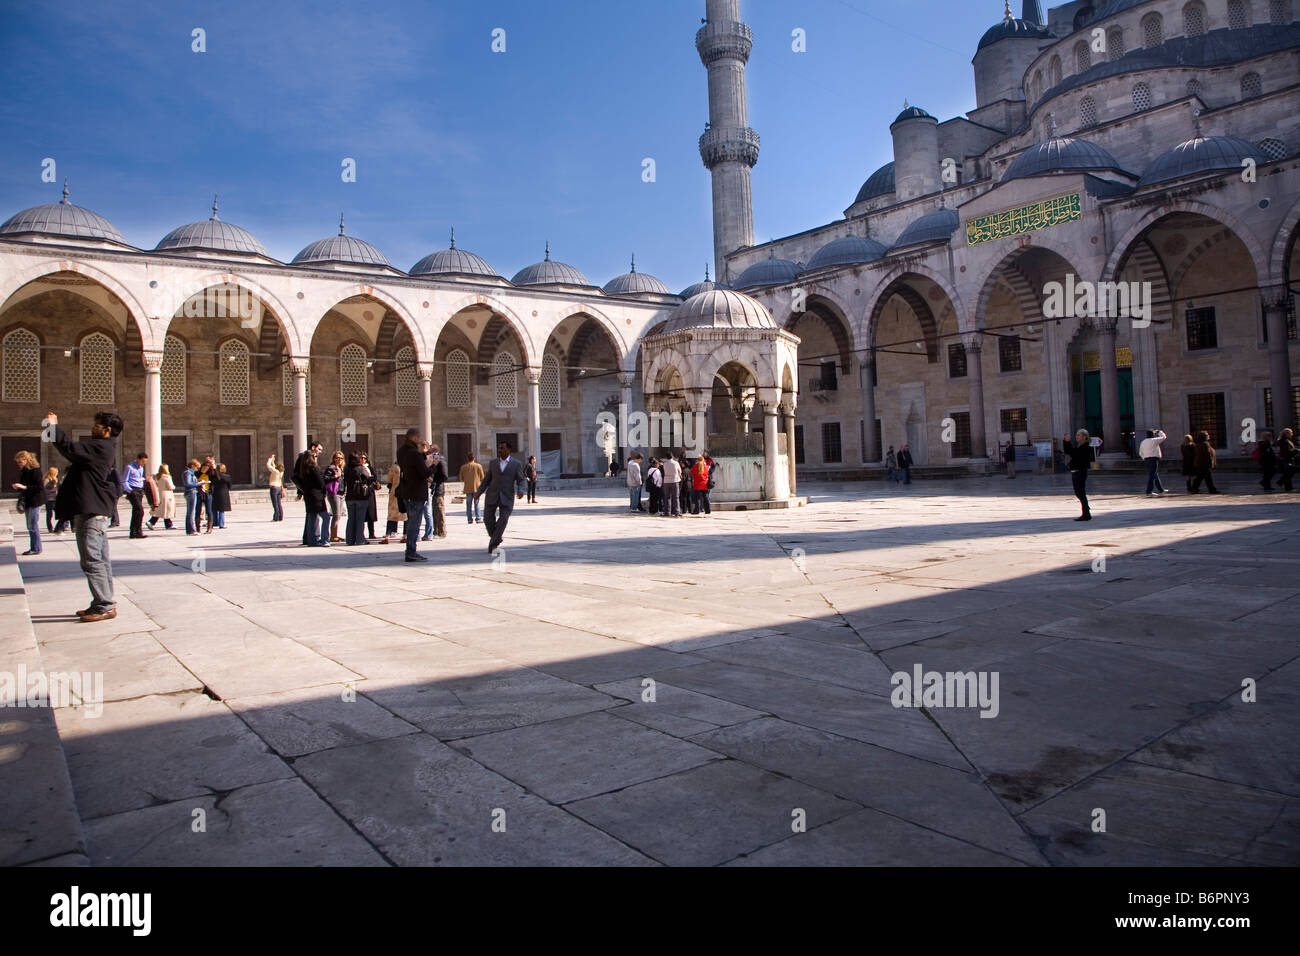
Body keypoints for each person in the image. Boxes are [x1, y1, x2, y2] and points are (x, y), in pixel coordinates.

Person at [47, 410, 121, 622]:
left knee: (92, 560)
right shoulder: (102, 447)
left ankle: (104, 604)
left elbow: (69, 448)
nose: (92, 427)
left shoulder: (100, 446)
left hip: (92, 512)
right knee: (100, 559)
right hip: (94, 509)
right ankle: (102, 602)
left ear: (107, 430)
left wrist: (52, 426)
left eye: (96, 425)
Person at [475, 441, 528, 554]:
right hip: (492, 495)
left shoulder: (516, 464)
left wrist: (521, 490)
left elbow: (521, 480)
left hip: (507, 497)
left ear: (508, 450)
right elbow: (487, 479)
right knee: (487, 519)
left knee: (503, 520)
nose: (500, 450)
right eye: (499, 448)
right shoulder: (493, 463)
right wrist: (479, 491)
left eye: (502, 448)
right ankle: (497, 537)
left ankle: (493, 544)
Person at [396, 428, 433, 562]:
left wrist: (425, 454)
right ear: (415, 438)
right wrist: (434, 465)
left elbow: (410, 462)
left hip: (406, 491)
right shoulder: (414, 453)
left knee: (411, 521)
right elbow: (425, 473)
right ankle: (411, 551)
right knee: (414, 524)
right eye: (418, 438)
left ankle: (410, 550)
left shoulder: (401, 451)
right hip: (416, 492)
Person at [11, 450, 46, 555]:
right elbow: (24, 486)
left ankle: (36, 548)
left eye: (20, 462)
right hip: (28, 500)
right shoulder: (24, 471)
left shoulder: (35, 471)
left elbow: (39, 487)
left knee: (32, 525)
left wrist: (24, 487)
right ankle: (34, 547)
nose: (18, 464)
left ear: (26, 460)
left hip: (35, 501)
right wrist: (18, 487)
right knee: (30, 525)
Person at [297, 445, 329, 546]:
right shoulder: (314, 468)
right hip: (317, 496)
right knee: (326, 517)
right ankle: (325, 540)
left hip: (308, 495)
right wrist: (324, 490)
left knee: (312, 518)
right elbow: (320, 482)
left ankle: (311, 541)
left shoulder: (303, 470)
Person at [1062, 430, 1094, 521]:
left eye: (1079, 435)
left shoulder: (1085, 447)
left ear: (1084, 437)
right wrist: (1066, 442)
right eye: (1076, 435)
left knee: (1080, 493)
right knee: (1079, 493)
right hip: (1077, 472)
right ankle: (1086, 511)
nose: (1077, 437)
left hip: (1080, 472)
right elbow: (1070, 452)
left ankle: (1086, 513)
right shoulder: (1080, 447)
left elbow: (1072, 452)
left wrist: (1067, 442)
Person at [343, 452, 373, 546]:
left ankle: (350, 539)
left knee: (351, 519)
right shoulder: (361, 468)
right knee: (360, 519)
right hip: (361, 496)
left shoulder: (346, 469)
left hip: (350, 497)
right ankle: (360, 539)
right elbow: (369, 479)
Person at [123, 451, 149, 538]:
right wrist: (130, 490)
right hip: (133, 490)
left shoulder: (141, 468)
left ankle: (135, 532)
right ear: (138, 459)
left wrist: (143, 480)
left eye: (145, 462)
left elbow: (139, 478)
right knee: (140, 510)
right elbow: (124, 481)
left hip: (139, 490)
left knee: (136, 512)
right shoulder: (129, 467)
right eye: (143, 461)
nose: (144, 463)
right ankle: (136, 531)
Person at [1139, 428, 1167, 497]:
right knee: (1152, 475)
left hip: (1147, 459)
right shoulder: (1154, 440)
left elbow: (1140, 452)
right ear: (1153, 434)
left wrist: (1144, 458)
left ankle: (1161, 490)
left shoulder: (1143, 442)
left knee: (1154, 474)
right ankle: (1149, 491)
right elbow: (1164, 437)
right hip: (1153, 459)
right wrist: (1159, 432)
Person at [428, 444, 448, 538]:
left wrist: (435, 482)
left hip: (438, 489)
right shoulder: (435, 460)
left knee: (439, 511)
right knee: (434, 511)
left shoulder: (440, 460)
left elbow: (444, 475)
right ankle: (435, 531)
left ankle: (441, 532)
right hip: (434, 489)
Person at [324, 452, 345, 542]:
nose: (339, 459)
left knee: (339, 515)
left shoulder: (341, 469)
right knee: (336, 515)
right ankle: (333, 536)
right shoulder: (330, 469)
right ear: (334, 458)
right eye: (337, 458)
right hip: (334, 493)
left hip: (341, 493)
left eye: (341, 458)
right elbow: (325, 478)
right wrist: (335, 476)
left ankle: (335, 534)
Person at [148, 463, 176, 530]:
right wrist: (174, 487)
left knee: (163, 510)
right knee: (166, 510)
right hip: (167, 495)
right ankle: (151, 522)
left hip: (161, 494)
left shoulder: (158, 477)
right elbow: (171, 487)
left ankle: (168, 524)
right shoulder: (167, 477)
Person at [383, 460, 403, 544]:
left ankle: (388, 535)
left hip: (395, 493)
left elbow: (389, 480)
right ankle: (405, 535)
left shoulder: (394, 468)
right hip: (406, 492)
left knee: (391, 514)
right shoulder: (408, 466)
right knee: (406, 515)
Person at [461, 453, 485, 523]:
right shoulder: (478, 466)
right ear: (474, 458)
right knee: (476, 503)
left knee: (468, 504)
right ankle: (478, 518)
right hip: (476, 487)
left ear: (467, 459)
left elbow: (461, 478)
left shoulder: (463, 467)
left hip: (467, 488)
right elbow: (482, 476)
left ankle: (469, 519)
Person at [360, 453, 379, 541]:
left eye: (364, 458)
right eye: (361, 458)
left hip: (370, 492)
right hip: (362, 492)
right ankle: (361, 534)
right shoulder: (358, 468)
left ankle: (372, 533)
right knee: (363, 514)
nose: (362, 460)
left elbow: (375, 477)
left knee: (371, 513)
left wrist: (372, 479)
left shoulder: (369, 468)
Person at [43, 467, 67, 534]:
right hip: (49, 499)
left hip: (55, 499)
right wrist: (52, 487)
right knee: (49, 514)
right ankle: (50, 528)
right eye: (56, 472)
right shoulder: (47, 480)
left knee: (61, 513)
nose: (57, 474)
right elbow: (44, 489)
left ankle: (62, 526)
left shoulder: (55, 479)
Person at [181, 459, 200, 535]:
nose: (197, 469)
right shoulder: (188, 473)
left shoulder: (190, 473)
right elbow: (188, 484)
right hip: (191, 492)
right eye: (196, 467)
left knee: (190, 512)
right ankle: (191, 530)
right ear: (192, 466)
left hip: (192, 492)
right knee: (191, 512)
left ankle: (189, 530)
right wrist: (198, 484)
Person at [660, 452, 683, 518]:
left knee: (667, 497)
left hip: (667, 481)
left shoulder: (665, 464)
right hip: (675, 480)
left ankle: (667, 511)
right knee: (676, 497)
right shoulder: (676, 463)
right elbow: (680, 471)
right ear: (672, 456)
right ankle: (677, 512)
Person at [211, 463, 232, 528]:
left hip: (215, 493)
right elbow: (229, 485)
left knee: (214, 508)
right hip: (223, 494)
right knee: (221, 510)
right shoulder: (227, 476)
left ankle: (215, 522)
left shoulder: (213, 477)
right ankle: (221, 524)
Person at [1277, 428, 1297, 493]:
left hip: (1286, 459)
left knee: (1287, 473)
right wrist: (1295, 451)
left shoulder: (1285, 440)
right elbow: (1287, 451)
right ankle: (1287, 487)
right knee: (1289, 473)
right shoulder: (1285, 441)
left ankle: (1282, 483)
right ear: (1287, 434)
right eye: (1291, 433)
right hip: (1286, 459)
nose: (1292, 434)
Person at [196, 463, 213, 533]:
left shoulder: (210, 475)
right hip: (198, 493)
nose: (204, 469)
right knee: (197, 511)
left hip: (207, 493)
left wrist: (213, 465)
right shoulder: (197, 474)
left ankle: (209, 528)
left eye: (206, 468)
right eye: (203, 467)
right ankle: (198, 528)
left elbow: (218, 477)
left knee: (209, 511)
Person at [267, 455, 284, 521]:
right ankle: (280, 517)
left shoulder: (275, 472)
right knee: (279, 503)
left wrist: (270, 459)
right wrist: (273, 461)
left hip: (274, 489)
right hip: (279, 488)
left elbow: (268, 466)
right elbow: (273, 467)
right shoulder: (281, 472)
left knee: (275, 504)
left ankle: (276, 517)